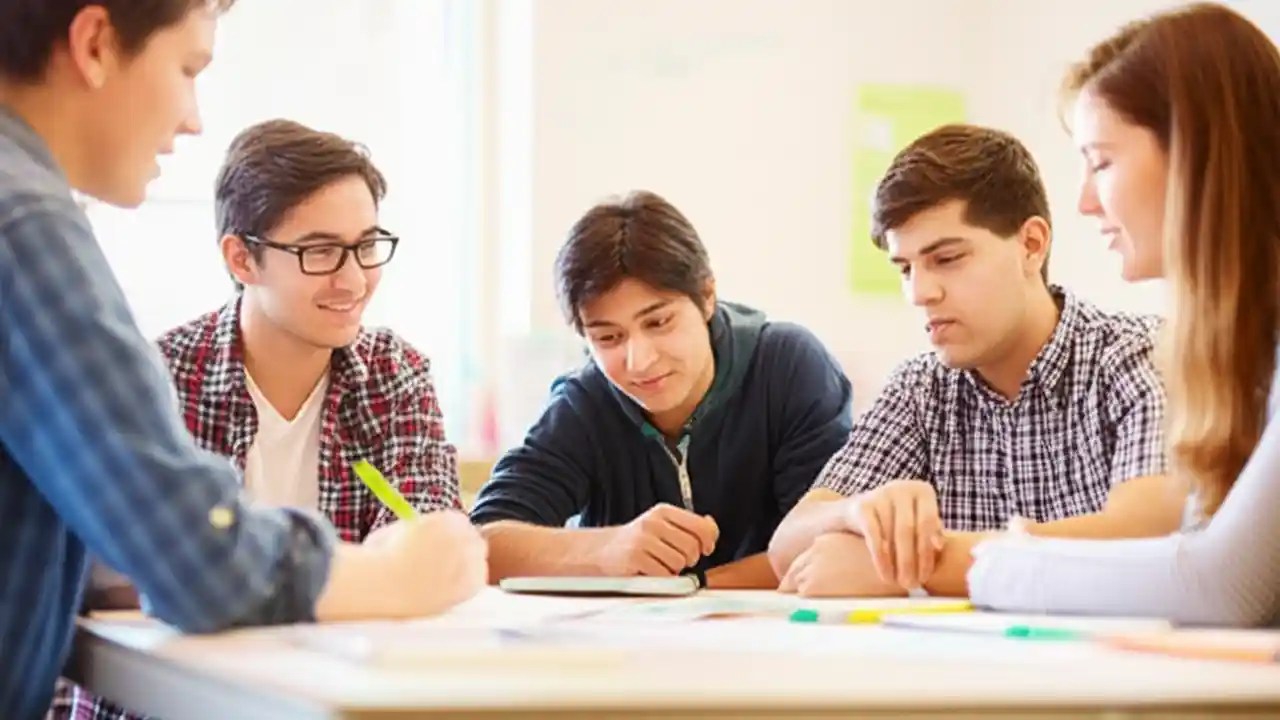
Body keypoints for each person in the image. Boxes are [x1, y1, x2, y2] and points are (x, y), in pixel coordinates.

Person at [0, 3, 483, 717]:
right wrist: (394, 574)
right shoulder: (26, 224)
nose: (193, 118)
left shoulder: (392, 366)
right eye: (188, 68)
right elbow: (192, 558)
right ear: (95, 43)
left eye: (365, 246)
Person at [968, 2, 1280, 626]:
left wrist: (1000, 562)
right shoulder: (1241, 349)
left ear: (1196, 154)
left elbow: (1224, 584)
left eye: (1101, 161)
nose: (1084, 201)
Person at [769, 124, 1177, 598]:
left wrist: (914, 565)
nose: (920, 293)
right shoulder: (920, 388)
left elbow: (1146, 541)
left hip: (1109, 668)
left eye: (946, 259)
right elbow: (787, 548)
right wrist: (855, 512)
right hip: (964, 671)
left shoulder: (1139, 356)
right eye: (905, 268)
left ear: (1031, 244)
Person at [471, 190, 853, 588]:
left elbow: (829, 541)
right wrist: (606, 550)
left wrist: (695, 586)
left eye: (658, 323)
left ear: (707, 297)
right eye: (608, 337)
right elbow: (482, 542)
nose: (640, 361)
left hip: (780, 637)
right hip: (625, 645)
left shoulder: (788, 366)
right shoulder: (584, 402)